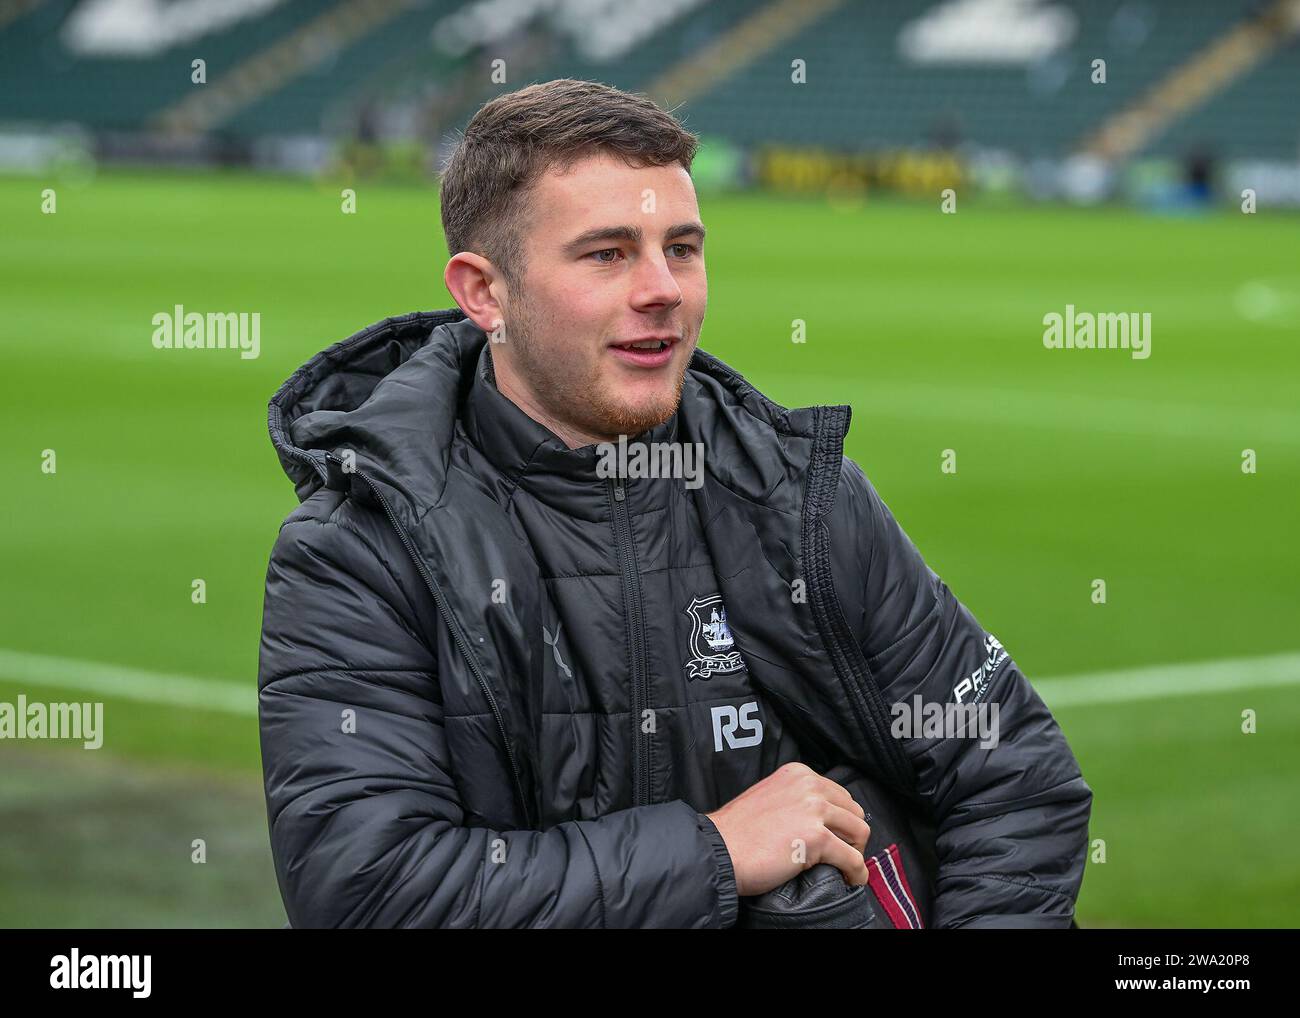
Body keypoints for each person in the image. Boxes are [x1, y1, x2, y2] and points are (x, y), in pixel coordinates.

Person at [257, 78, 1092, 928]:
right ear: (484, 293)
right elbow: (368, 895)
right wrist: (716, 853)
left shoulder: (796, 495)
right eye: (608, 253)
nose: (664, 289)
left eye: (682, 248)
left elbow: (1012, 772)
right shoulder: (360, 547)